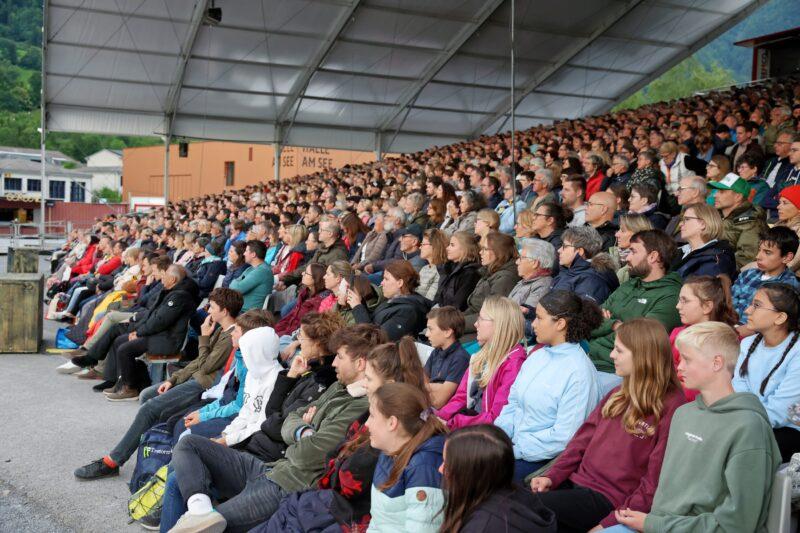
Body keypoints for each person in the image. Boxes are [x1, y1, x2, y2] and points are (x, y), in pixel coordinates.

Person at [166, 323, 380, 532]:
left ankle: (200, 518)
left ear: (360, 363)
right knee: (188, 444)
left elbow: (308, 454)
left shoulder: (360, 407)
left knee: (207, 525)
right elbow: (288, 417)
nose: (334, 363)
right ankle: (200, 511)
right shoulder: (338, 387)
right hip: (271, 467)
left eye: (340, 357)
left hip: (286, 485)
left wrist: (295, 435)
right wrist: (304, 431)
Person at [608, 322, 780, 533]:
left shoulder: (749, 428)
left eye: (687, 360)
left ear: (717, 363)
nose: (678, 367)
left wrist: (653, 524)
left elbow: (737, 524)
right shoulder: (684, 413)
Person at [256, 335, 425, 533]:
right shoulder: (359, 408)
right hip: (302, 497)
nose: (364, 384)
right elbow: (285, 418)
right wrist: (304, 432)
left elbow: (311, 457)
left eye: (369, 379)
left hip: (304, 498)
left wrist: (298, 439)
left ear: (390, 384)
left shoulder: (385, 441)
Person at [531, 317, 686, 532]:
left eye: (619, 351)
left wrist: (610, 523)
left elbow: (654, 480)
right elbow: (580, 443)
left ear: (643, 356)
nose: (612, 355)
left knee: (529, 509)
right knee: (512, 497)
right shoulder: (617, 393)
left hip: (608, 498)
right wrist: (551, 476)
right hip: (576, 481)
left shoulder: (673, 407)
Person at [73, 288, 243, 480]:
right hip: (197, 377)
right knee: (147, 395)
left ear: (225, 311)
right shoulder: (220, 329)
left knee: (150, 408)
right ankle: (150, 447)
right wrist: (173, 379)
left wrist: (203, 337)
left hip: (204, 385)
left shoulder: (230, 335)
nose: (208, 311)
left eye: (211, 307)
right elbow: (198, 363)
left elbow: (206, 365)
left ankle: (113, 461)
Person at [495, 290, 602, 482]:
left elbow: (564, 437)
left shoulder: (579, 372)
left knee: (478, 478)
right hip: (513, 446)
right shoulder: (537, 356)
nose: (533, 324)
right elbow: (513, 403)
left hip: (540, 459)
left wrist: (515, 450)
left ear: (560, 324)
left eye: (539, 318)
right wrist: (498, 437)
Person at [71, 265, 200, 400]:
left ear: (173, 279)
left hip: (169, 340)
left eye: (165, 275)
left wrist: (139, 333)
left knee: (125, 349)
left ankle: (130, 388)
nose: (162, 277)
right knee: (119, 340)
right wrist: (138, 329)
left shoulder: (179, 297)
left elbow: (160, 321)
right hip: (160, 335)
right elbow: (153, 315)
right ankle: (120, 381)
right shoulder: (171, 291)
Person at [241, 312, 346, 464]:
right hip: (260, 445)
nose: (298, 340)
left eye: (301, 336)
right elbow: (270, 412)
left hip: (269, 456)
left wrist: (272, 421)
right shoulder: (310, 371)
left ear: (317, 343)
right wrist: (291, 375)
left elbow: (278, 427)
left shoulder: (322, 382)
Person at [588, 230, 682, 394]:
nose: (627, 258)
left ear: (653, 256)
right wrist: (616, 325)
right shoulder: (629, 285)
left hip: (617, 372)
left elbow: (641, 340)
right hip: (588, 359)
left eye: (633, 251)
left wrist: (610, 323)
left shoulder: (671, 295)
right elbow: (589, 320)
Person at [438, 425, 557, 532]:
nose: (440, 469)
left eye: (447, 463)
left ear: (473, 472)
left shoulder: (484, 526)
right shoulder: (518, 495)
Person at [366, 383, 447, 532]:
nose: (366, 424)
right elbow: (378, 521)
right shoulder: (389, 451)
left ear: (392, 423)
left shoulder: (424, 468)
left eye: (371, 415)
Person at [437, 296, 527, 429]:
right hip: (467, 425)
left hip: (484, 437)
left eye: (481, 318)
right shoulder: (480, 356)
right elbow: (461, 397)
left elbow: (496, 417)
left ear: (499, 324)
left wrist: (452, 423)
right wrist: (439, 417)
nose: (475, 324)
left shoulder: (514, 364)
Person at [734, 283, 800, 462]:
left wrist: (739, 423)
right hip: (747, 421)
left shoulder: (797, 353)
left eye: (757, 305)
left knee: (741, 448)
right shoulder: (747, 344)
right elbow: (738, 391)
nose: (747, 310)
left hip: (788, 430)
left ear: (780, 318)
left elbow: (782, 411)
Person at [671, 275, 738, 402]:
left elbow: (704, 390)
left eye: (685, 300)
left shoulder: (724, 342)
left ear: (707, 306)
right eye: (679, 300)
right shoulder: (677, 332)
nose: (678, 306)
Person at [731, 226, 800, 331]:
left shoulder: (788, 286)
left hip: (755, 334)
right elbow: (730, 303)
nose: (758, 256)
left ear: (787, 257)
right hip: (729, 325)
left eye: (767, 252)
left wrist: (735, 332)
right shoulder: (747, 275)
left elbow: (772, 325)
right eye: (759, 250)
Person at [349, 259, 431, 341]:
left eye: (386, 279)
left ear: (400, 283)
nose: (382, 283)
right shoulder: (395, 301)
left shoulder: (407, 312)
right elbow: (372, 322)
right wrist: (360, 302)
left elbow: (377, 341)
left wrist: (357, 307)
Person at [461, 232, 520, 339]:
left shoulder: (505, 278)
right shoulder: (491, 272)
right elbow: (474, 308)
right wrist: (455, 319)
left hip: (484, 331)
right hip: (475, 323)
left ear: (499, 252)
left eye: (485, 249)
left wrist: (457, 323)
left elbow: (492, 315)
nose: (480, 252)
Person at [709, 173, 769, 269]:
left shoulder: (751, 222)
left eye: (721, 191)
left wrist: (714, 267)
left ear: (738, 196)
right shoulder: (715, 215)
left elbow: (746, 258)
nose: (715, 195)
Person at [550, 226, 618, 304]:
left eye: (565, 246)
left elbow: (583, 313)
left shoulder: (592, 281)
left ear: (580, 251)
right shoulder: (567, 270)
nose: (559, 250)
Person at [671, 202, 737, 280]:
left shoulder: (715, 259)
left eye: (687, 219)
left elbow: (698, 290)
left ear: (703, 224)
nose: (680, 224)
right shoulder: (680, 250)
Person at [424, 307, 470, 409]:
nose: (426, 334)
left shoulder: (461, 359)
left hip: (442, 416)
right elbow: (420, 382)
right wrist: (436, 387)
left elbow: (438, 402)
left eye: (430, 329)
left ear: (447, 332)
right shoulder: (436, 351)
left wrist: (426, 387)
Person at [274, 263, 328, 336]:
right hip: (287, 332)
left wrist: (280, 334)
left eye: (306, 273)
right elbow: (291, 316)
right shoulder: (305, 293)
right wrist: (275, 330)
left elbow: (300, 328)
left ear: (315, 279)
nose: (302, 273)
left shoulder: (318, 303)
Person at [434, 231, 482, 311]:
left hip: (450, 317)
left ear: (465, 249)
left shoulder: (471, 274)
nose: (447, 248)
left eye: (452, 245)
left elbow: (457, 306)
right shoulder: (449, 268)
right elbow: (439, 298)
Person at [230, 240, 274, 311]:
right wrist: (236, 283)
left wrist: (235, 282)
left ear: (253, 254)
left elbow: (237, 289)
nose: (244, 254)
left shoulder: (262, 271)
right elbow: (234, 286)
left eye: (246, 251)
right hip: (241, 310)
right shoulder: (251, 268)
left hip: (249, 314)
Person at [609, 214, 653, 284]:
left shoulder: (643, 267)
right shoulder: (610, 257)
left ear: (638, 234)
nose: (616, 235)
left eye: (623, 231)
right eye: (618, 230)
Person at [664, 175, 707, 241]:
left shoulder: (706, 218)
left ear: (695, 192)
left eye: (680, 189)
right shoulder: (678, 217)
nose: (676, 193)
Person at [417, 228, 448, 301]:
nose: (420, 247)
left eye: (423, 244)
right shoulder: (425, 268)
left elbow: (429, 300)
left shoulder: (441, 271)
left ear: (435, 246)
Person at [776, 185, 800, 272]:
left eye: (785, 203)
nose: (778, 207)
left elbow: (791, 265)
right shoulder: (779, 224)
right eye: (779, 202)